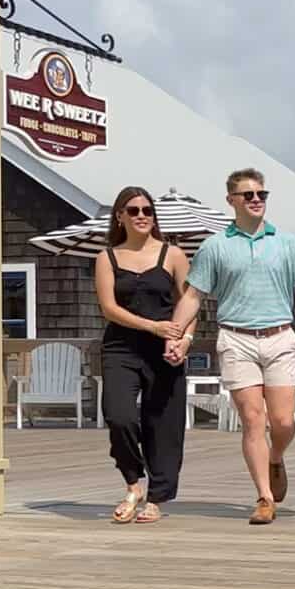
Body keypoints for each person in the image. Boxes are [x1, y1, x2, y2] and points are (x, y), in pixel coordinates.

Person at [166, 168, 295, 525]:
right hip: (236, 339)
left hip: (280, 337)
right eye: (248, 195)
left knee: (283, 421)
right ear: (232, 201)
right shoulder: (215, 247)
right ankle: (264, 498)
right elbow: (194, 296)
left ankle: (275, 457)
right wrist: (175, 335)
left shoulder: (287, 243)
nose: (256, 200)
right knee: (253, 420)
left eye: (261, 194)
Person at [94, 187, 195, 524]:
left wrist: (185, 340)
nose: (141, 216)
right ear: (120, 216)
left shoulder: (174, 255)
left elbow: (191, 304)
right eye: (133, 210)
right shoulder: (107, 257)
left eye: (147, 211)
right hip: (121, 347)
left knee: (163, 424)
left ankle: (157, 498)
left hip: (165, 350)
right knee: (118, 415)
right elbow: (109, 308)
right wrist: (152, 326)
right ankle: (133, 483)